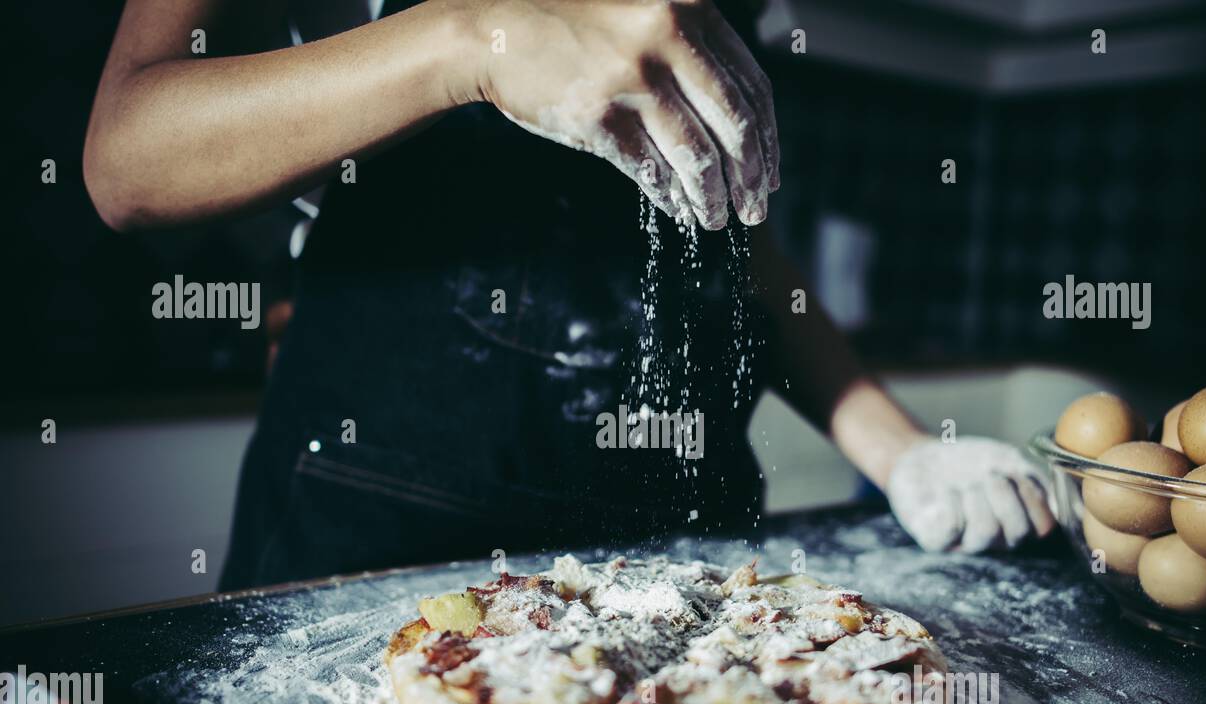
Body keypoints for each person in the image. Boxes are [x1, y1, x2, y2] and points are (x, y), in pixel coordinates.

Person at [84, 0, 1054, 589]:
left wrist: (893, 446)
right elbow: (130, 156)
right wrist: (469, 41)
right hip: (392, 522)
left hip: (688, 534)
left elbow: (721, 223)